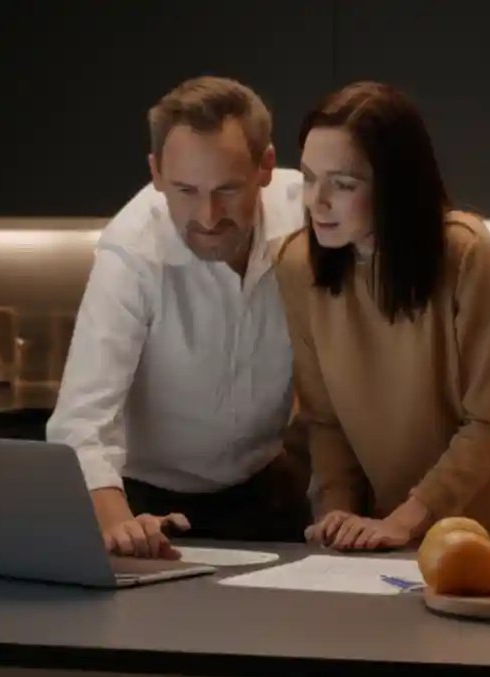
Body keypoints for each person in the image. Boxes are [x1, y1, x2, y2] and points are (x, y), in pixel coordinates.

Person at [46, 76, 312, 560]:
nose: (207, 215)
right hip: (151, 505)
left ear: (266, 168)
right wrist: (118, 526)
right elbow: (81, 422)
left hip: (268, 486)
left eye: (228, 189)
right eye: (186, 190)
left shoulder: (307, 214)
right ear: (155, 173)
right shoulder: (130, 251)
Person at [274, 80, 490, 552]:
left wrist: (406, 518)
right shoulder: (297, 264)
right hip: (384, 541)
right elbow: (324, 420)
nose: (316, 201)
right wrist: (337, 512)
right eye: (309, 177)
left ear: (394, 186)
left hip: (489, 536)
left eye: (343, 184)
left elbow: (489, 422)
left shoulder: (464, 252)